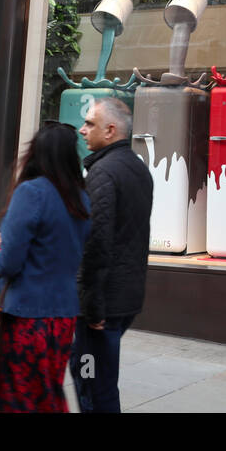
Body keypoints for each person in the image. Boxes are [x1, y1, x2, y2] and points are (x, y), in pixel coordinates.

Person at [0, 121, 91, 413]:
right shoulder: (81, 198)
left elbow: (9, 262)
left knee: (12, 396)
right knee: (46, 393)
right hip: (63, 317)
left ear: (36, 153)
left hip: (25, 316)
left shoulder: (31, 192)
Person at [70, 97, 152, 413]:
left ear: (110, 131)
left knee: (92, 385)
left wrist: (92, 309)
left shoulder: (104, 173)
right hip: (124, 296)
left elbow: (97, 244)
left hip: (102, 303)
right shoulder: (136, 168)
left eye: (90, 123)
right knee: (101, 380)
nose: (82, 130)